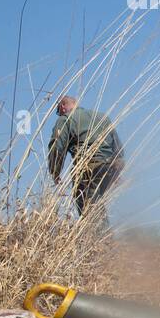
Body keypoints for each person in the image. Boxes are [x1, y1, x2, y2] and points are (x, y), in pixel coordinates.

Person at [47, 96, 124, 228]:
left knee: (87, 205)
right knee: (96, 202)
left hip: (90, 168)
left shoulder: (65, 119)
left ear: (62, 106)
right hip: (111, 165)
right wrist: (116, 171)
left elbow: (57, 149)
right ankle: (105, 240)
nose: (59, 114)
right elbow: (119, 149)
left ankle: (101, 243)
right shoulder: (102, 117)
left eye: (59, 111)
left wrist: (55, 172)